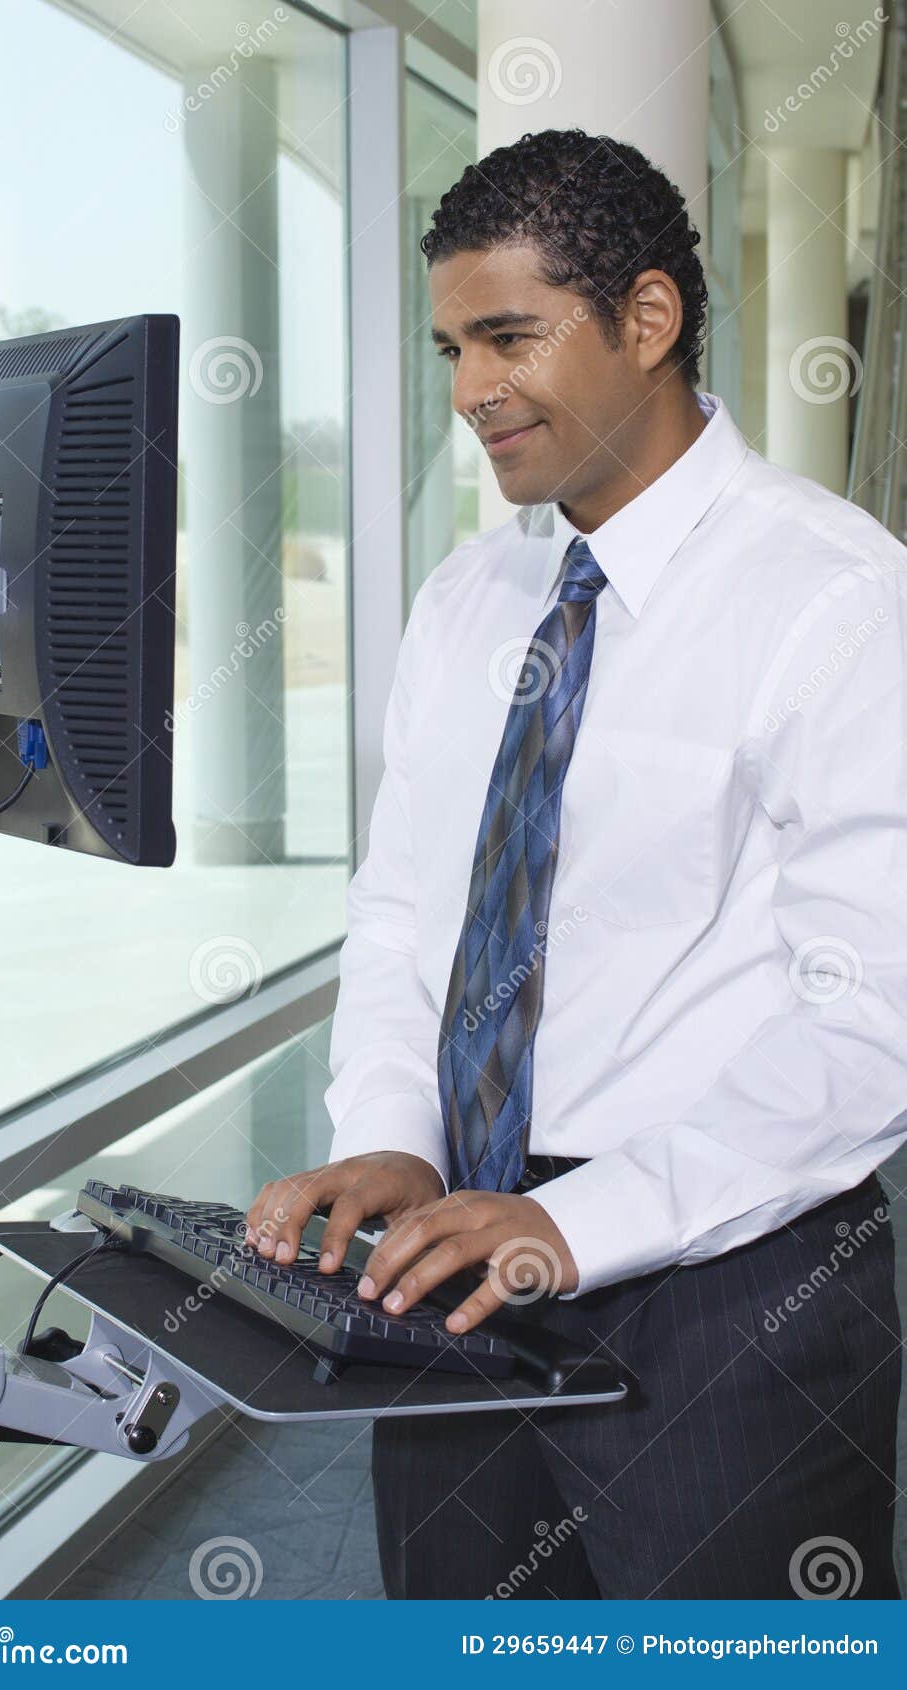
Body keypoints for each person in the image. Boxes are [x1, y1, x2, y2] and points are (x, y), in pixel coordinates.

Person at [246, 128, 904, 1599]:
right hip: (454, 1266)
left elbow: (873, 1015)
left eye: (508, 337)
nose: (472, 391)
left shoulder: (839, 598)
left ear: (649, 321)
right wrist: (397, 1130)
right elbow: (405, 908)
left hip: (731, 1289)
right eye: (449, 349)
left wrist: (578, 1217)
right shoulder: (470, 594)